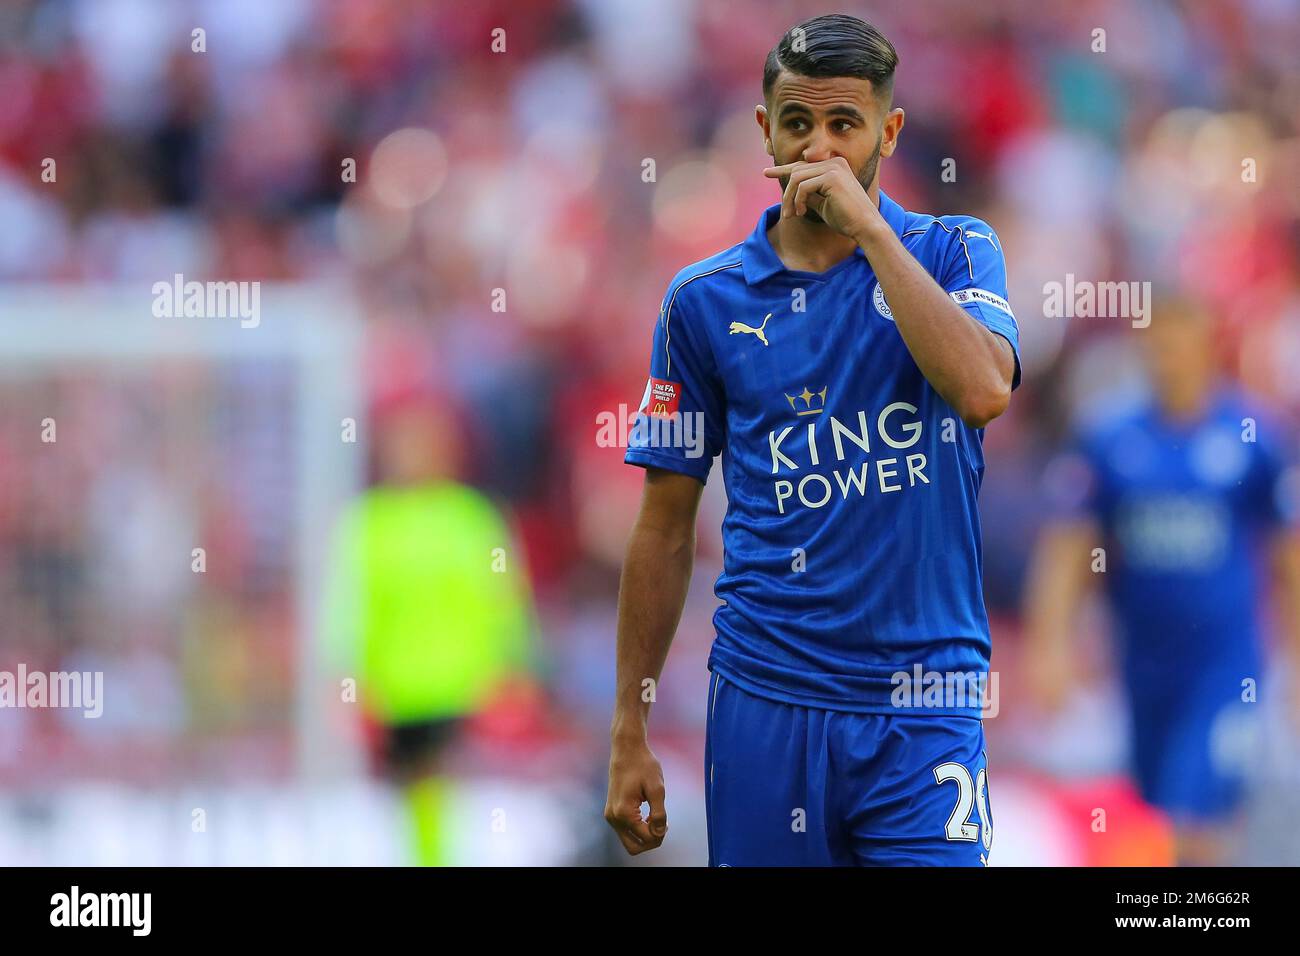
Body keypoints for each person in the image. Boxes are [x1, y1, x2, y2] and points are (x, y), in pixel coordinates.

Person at [605, 14, 1020, 866]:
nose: (820, 146)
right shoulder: (702, 304)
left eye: (845, 124)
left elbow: (983, 390)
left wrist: (872, 232)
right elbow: (664, 522)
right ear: (764, 130)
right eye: (798, 123)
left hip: (924, 699)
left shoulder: (954, 252)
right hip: (768, 698)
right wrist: (630, 727)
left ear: (889, 132)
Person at [1024, 297, 1300, 865]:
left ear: (1207, 349)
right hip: (1142, 663)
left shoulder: (1251, 437)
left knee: (1196, 812)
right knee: (1153, 811)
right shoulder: (1110, 439)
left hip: (1225, 666)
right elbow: (1071, 546)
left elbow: (1286, 552)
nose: (1167, 358)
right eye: (1157, 345)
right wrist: (1051, 643)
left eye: (1179, 344)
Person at [324, 389, 538, 865]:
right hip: (399, 690)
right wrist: (350, 684)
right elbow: (349, 611)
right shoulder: (370, 523)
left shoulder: (472, 519)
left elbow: (505, 604)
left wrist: (512, 674)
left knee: (465, 801)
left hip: (467, 689)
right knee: (410, 802)